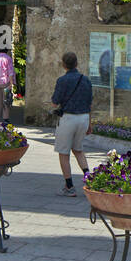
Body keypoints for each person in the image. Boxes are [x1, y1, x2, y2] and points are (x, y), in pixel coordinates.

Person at [50, 50, 92, 198]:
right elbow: (89, 103)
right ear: (77, 63)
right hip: (84, 118)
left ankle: (69, 186)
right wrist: (90, 123)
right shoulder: (86, 80)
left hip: (68, 118)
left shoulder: (62, 81)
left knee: (64, 153)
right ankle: (89, 178)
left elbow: (55, 102)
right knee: (78, 149)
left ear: (63, 64)